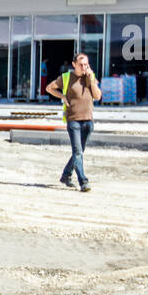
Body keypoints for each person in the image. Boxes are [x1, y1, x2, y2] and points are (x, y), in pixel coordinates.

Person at [46, 52, 101, 192]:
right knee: (77, 152)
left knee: (80, 151)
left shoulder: (90, 77)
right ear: (74, 64)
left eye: (86, 64)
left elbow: (97, 96)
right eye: (81, 64)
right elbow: (49, 88)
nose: (84, 67)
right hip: (73, 121)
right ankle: (83, 181)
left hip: (88, 120)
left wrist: (91, 79)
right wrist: (62, 96)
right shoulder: (66, 78)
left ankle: (66, 175)